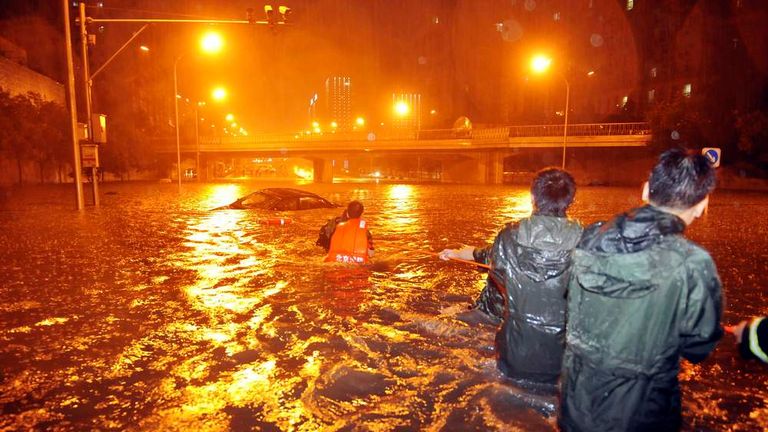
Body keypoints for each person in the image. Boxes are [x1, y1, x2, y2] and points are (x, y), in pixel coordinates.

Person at [560, 148, 723, 432]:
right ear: (702, 204)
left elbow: (571, 299)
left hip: (576, 404)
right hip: (641, 415)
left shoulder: (589, 237)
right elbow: (699, 346)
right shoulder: (692, 263)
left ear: (646, 190)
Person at [440, 168, 582, 390]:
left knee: (440, 322)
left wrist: (456, 254)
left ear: (533, 197)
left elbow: (493, 290)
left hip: (514, 353)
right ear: (570, 200)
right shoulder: (588, 241)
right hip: (564, 359)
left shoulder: (509, 236)